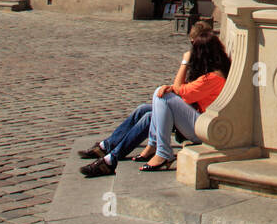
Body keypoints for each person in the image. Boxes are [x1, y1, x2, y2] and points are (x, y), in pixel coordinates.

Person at [79, 20, 217, 178]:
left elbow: (184, 91)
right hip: (193, 111)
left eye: (194, 42)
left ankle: (114, 158)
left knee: (154, 109)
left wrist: (185, 62)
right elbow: (185, 90)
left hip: (200, 122)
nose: (192, 46)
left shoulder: (211, 67)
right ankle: (107, 147)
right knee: (142, 109)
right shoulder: (205, 62)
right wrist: (175, 88)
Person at [140, 24, 232, 171]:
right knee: (153, 104)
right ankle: (155, 146)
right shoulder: (220, 71)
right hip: (210, 122)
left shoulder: (211, 79)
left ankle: (161, 152)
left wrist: (185, 62)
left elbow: (180, 90)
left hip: (206, 128)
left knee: (161, 96)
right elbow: (183, 91)